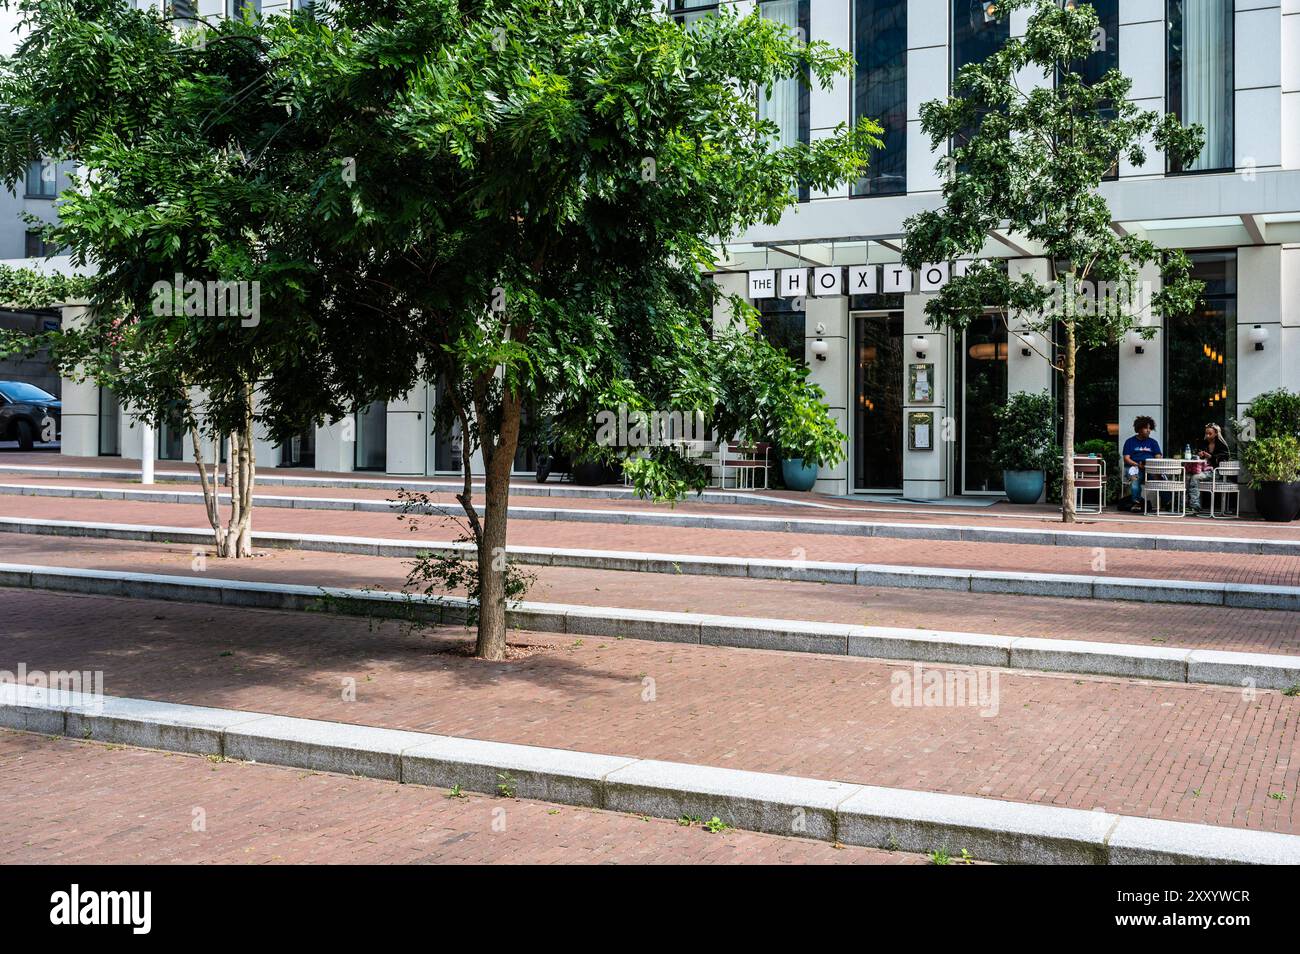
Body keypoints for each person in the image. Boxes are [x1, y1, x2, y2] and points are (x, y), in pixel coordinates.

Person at [1119, 416, 1162, 513]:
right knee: (1135, 480)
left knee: (1160, 480)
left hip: (1149, 468)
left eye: (1150, 428)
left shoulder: (1153, 442)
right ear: (1139, 429)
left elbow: (1158, 456)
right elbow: (1126, 458)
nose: (1148, 430)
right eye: (1146, 428)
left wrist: (1152, 464)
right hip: (1134, 467)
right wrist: (1138, 465)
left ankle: (1169, 502)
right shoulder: (1130, 442)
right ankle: (1136, 503)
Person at [1188, 423, 1232, 514]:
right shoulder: (1204, 443)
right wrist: (1200, 455)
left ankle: (1195, 506)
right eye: (1206, 433)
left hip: (1217, 472)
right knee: (1187, 476)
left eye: (1210, 433)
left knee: (1194, 477)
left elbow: (1223, 461)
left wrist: (1211, 457)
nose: (1207, 435)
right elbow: (1199, 455)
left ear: (1216, 433)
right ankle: (1183, 504)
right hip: (1204, 470)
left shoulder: (1222, 445)